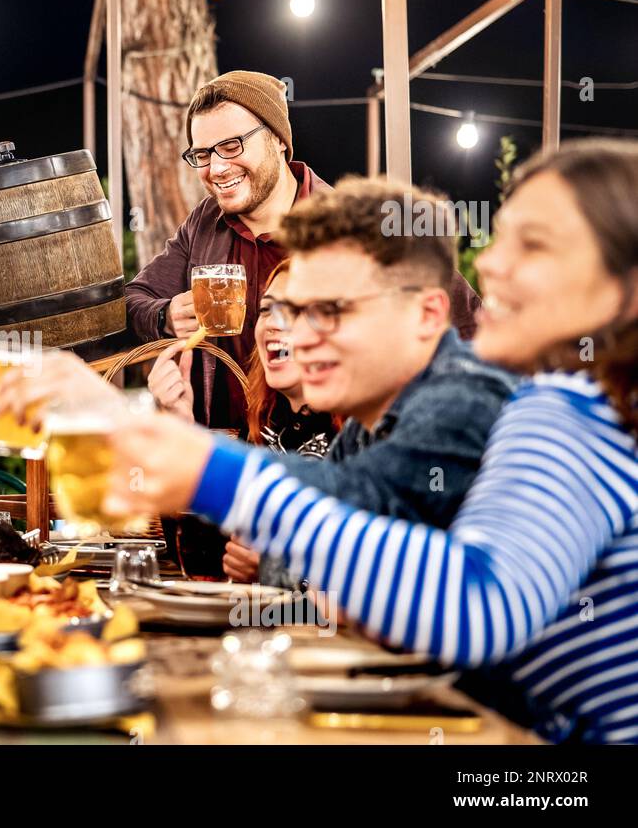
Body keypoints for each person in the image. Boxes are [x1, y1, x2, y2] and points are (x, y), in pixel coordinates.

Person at [101, 139, 638, 743]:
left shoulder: (560, 413)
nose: (490, 265)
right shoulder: (579, 408)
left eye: (533, 244)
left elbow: (477, 604)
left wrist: (207, 467)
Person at [147, 179, 518, 585]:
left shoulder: (463, 400)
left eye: (331, 309)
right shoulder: (364, 426)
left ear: (426, 316)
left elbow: (373, 536)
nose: (300, 339)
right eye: (297, 311)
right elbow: (327, 531)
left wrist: (187, 452)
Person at [124, 70, 481, 436]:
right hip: (226, 456)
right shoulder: (204, 222)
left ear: (278, 139)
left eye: (232, 147)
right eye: (202, 154)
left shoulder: (350, 222)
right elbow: (132, 301)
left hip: (323, 455)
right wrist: (165, 316)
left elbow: (469, 322)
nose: (216, 168)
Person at [153, 259, 338, 582]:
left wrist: (273, 572)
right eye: (267, 309)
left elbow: (383, 585)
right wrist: (181, 425)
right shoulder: (263, 428)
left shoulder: (366, 434)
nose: (274, 323)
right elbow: (195, 549)